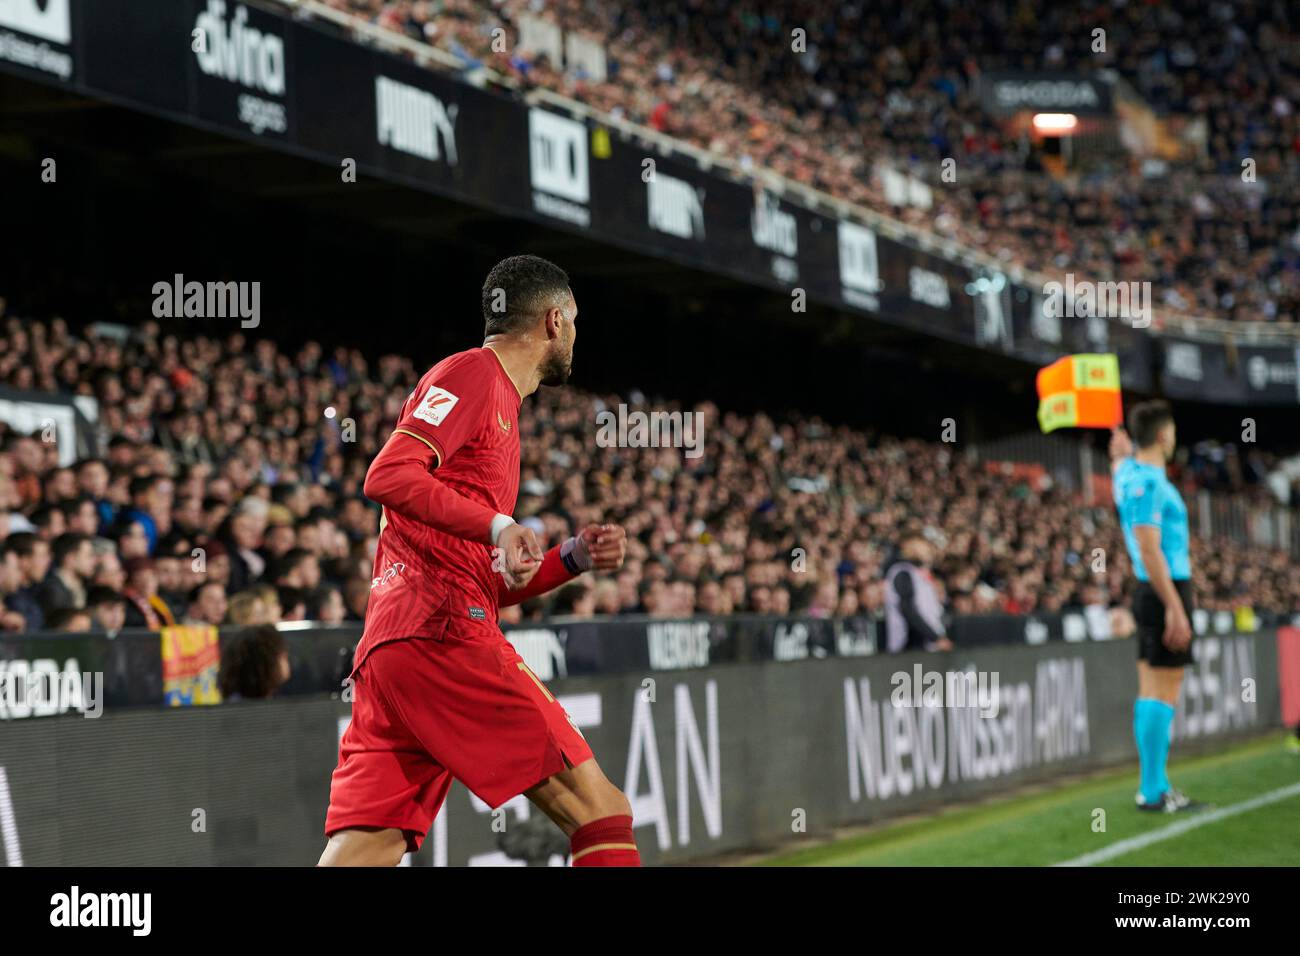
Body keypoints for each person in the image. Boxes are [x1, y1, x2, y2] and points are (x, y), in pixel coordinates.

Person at [321, 255, 637, 867]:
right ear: (554, 322)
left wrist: (569, 557)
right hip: (442, 634)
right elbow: (386, 474)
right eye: (575, 321)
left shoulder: (497, 406)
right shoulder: (474, 375)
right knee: (601, 812)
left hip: (396, 649)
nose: (576, 334)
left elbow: (485, 581)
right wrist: (498, 523)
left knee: (365, 850)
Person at [1111, 401, 1204, 813]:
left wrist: (1119, 453)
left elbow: (1118, 468)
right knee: (1163, 690)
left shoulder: (1127, 474)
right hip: (1164, 588)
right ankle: (1153, 789)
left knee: (1152, 687)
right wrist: (1175, 607)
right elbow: (1149, 549)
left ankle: (1153, 786)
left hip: (1148, 591)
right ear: (1164, 436)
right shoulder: (1149, 483)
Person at [882, 533, 954, 653]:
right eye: (924, 546)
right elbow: (908, 609)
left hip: (926, 645)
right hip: (908, 647)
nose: (929, 550)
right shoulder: (902, 573)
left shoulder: (919, 574)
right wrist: (935, 638)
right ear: (909, 547)